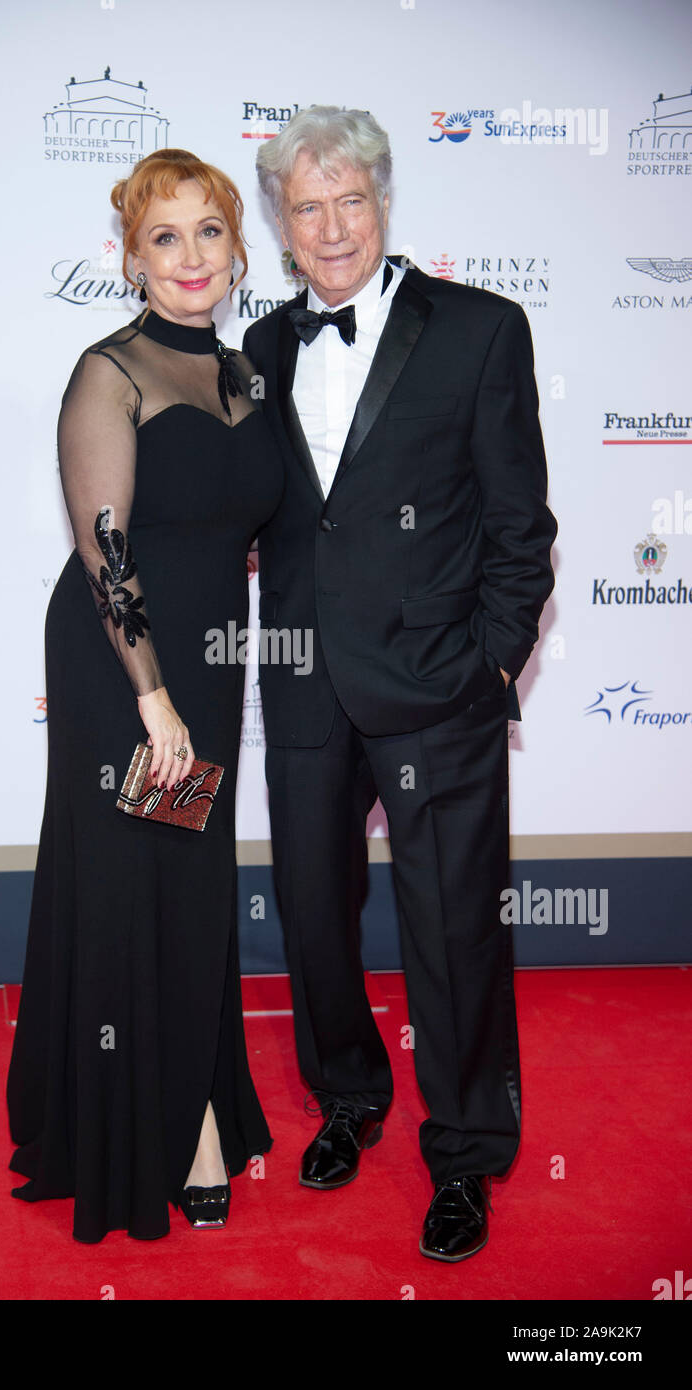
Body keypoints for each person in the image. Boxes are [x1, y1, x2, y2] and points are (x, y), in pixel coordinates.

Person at [244, 107, 557, 1261]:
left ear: (383, 202)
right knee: (315, 913)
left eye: (349, 201)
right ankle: (348, 1095)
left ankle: (467, 1151)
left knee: (453, 929)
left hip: (439, 687)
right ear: (280, 223)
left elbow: (521, 525)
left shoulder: (477, 330)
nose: (329, 228)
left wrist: (488, 659)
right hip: (304, 686)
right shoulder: (261, 352)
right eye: (305, 207)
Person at [6, 149, 282, 1241]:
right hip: (121, 673)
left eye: (207, 231)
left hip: (207, 670)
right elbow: (104, 550)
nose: (189, 256)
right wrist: (153, 698)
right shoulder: (106, 373)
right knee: (130, 885)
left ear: (236, 248)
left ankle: (195, 1091)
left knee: (189, 885)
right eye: (163, 237)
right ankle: (163, 1134)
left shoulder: (248, 380)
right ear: (130, 260)